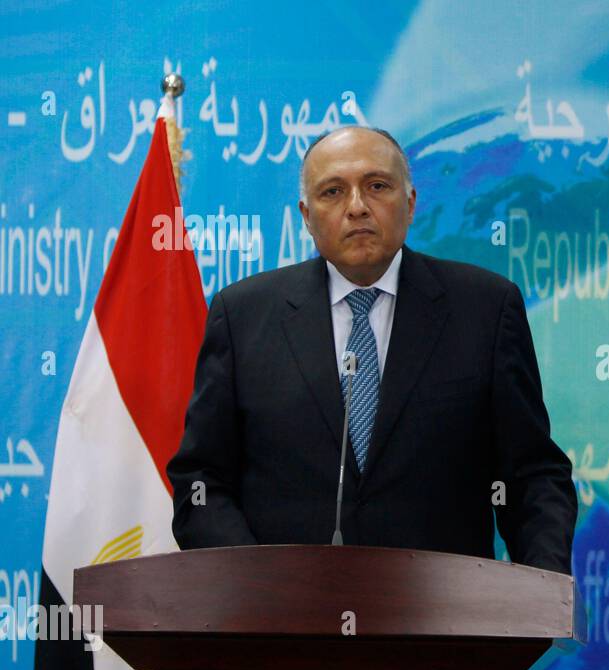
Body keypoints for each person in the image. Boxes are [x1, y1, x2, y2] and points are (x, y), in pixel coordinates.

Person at [167, 126, 576, 573]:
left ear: (411, 203)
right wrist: (258, 582)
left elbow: (532, 476)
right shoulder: (243, 315)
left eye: (377, 186)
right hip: (285, 624)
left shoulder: (486, 308)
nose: (357, 207)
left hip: (443, 623)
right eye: (333, 192)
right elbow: (201, 482)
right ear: (306, 216)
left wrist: (543, 585)